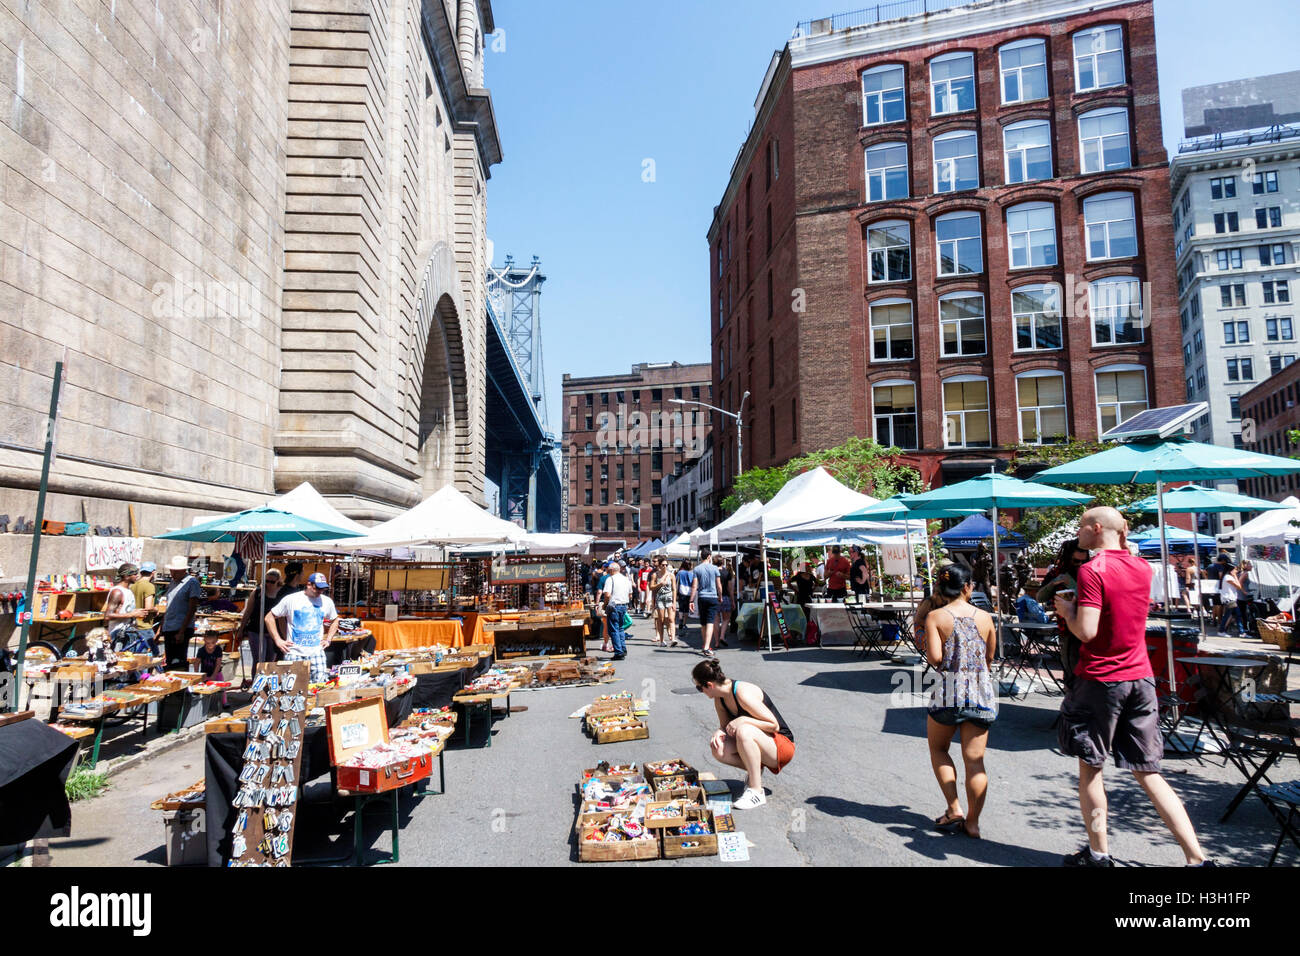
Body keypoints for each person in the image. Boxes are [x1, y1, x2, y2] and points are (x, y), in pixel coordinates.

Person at [1053, 506, 1213, 867]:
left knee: (1091, 768)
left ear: (1096, 529)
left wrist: (1068, 613)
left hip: (1101, 680)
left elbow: (1088, 632)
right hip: (1139, 677)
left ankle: (1098, 855)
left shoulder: (1093, 571)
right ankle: (1196, 859)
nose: (1077, 532)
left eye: (1081, 526)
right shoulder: (1143, 567)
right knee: (1149, 772)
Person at [923, 563, 997, 839]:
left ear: (941, 588)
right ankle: (973, 823)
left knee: (939, 749)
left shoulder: (935, 617)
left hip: (948, 693)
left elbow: (935, 658)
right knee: (975, 761)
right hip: (980, 693)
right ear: (968, 587)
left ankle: (954, 807)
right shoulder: (986, 617)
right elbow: (989, 658)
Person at [693, 658, 794, 811]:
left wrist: (743, 719)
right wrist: (719, 732)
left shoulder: (742, 693)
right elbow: (725, 726)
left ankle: (756, 791)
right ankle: (755, 772)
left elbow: (773, 725)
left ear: (710, 685)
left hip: (781, 745)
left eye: (700, 688)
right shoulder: (719, 699)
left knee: (743, 730)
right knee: (718, 748)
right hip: (761, 743)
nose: (701, 692)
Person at [264, 572, 338, 682]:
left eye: (323, 589)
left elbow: (335, 620)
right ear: (309, 584)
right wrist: (278, 640)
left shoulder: (326, 601)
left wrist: (328, 639)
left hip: (316, 652)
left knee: (319, 687)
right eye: (317, 588)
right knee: (292, 688)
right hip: (294, 652)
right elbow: (269, 618)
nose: (320, 591)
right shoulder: (291, 599)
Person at [238, 568, 283, 681]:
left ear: (278, 581)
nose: (268, 584)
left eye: (272, 582)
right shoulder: (257, 592)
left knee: (270, 661)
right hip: (256, 629)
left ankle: (266, 687)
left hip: (273, 632)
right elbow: (247, 612)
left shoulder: (281, 593)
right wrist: (241, 629)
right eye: (266, 581)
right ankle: (257, 688)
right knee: (259, 660)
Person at [159, 555, 202, 669]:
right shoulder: (173, 583)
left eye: (176, 571)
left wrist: (182, 631)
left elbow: (192, 608)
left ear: (183, 570)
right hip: (169, 626)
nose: (173, 573)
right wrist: (162, 626)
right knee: (170, 661)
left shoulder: (192, 583)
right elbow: (169, 605)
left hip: (180, 627)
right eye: (172, 570)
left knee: (178, 662)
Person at [103, 563, 150, 651]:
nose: (137, 576)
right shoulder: (117, 592)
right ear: (126, 576)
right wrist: (132, 614)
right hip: (118, 635)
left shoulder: (128, 591)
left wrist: (137, 611)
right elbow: (108, 616)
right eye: (135, 574)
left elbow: (125, 610)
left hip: (129, 633)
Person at [689, 551, 723, 657]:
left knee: (703, 623)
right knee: (710, 622)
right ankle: (707, 647)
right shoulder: (715, 568)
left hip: (702, 597)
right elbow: (719, 585)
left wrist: (691, 600)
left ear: (701, 556)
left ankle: (705, 645)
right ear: (709, 556)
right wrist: (720, 596)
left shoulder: (697, 569)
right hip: (712, 597)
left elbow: (694, 586)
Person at [600, 561, 634, 661]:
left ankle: (619, 652)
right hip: (623, 605)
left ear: (611, 570)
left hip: (614, 606)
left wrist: (605, 605)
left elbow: (607, 594)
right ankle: (623, 649)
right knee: (620, 628)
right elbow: (630, 594)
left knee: (614, 629)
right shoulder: (625, 579)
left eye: (608, 570)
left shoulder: (610, 579)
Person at [1219, 560, 1252, 637]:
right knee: (1228, 615)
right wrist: (1234, 576)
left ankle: (1241, 632)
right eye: (1235, 569)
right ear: (1231, 570)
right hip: (1229, 599)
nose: (1236, 571)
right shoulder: (1228, 577)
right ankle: (1222, 631)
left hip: (1231, 599)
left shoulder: (1228, 577)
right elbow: (1239, 586)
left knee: (1237, 615)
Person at [675, 559, 694, 633]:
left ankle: (680, 620)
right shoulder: (691, 573)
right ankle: (684, 623)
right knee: (686, 609)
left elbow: (676, 581)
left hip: (681, 591)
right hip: (689, 592)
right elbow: (693, 583)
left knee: (681, 608)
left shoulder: (680, 572)